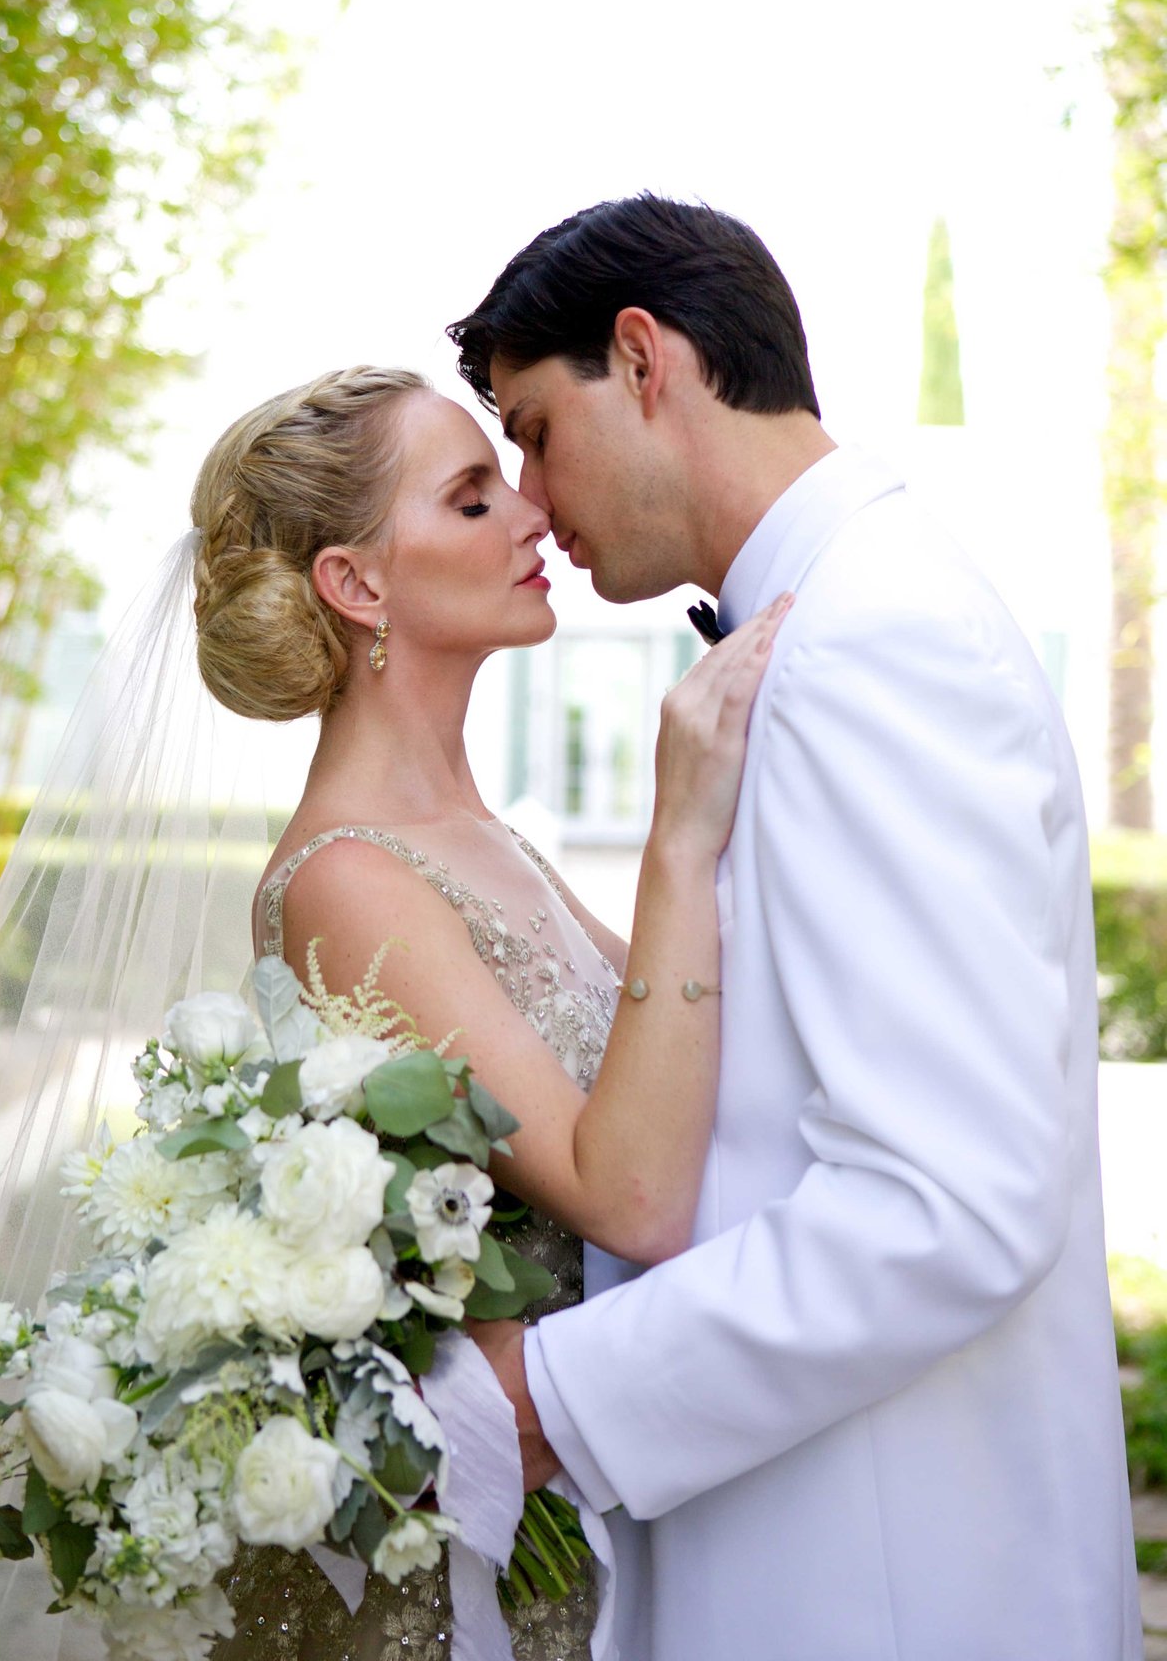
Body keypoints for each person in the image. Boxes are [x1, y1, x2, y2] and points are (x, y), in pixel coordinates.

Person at [0, 362, 784, 1661]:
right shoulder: (349, 882)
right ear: (359, 584)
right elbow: (628, 1189)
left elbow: (686, 1039)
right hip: (473, 1566)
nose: (534, 514)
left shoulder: (485, 837)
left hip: (580, 1504)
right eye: (473, 499)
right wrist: (680, 824)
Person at [446, 193, 1143, 1661]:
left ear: (643, 360)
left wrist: (553, 1400)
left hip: (882, 1585)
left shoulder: (871, 638)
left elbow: (949, 1197)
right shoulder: (827, 619)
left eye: (530, 427)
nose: (527, 492)